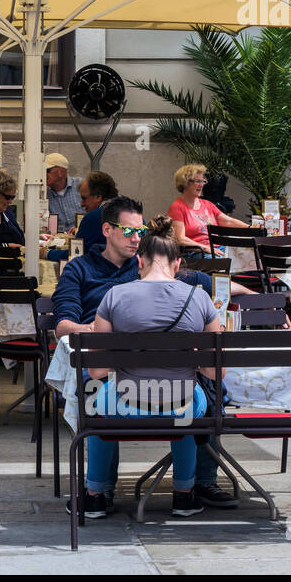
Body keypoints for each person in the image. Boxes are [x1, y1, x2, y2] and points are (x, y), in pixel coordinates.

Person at [54, 195, 253, 510]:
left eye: (141, 231)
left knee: (193, 385)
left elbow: (214, 284)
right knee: (192, 390)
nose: (137, 238)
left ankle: (201, 482)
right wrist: (93, 331)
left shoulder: (147, 271)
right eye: (129, 230)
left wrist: (258, 297)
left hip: (120, 372)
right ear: (107, 229)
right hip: (117, 362)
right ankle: (116, 489)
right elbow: (62, 325)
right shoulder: (80, 268)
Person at [79, 215, 223, 519]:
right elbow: (214, 373)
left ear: (140, 260)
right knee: (187, 396)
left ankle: (94, 496)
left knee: (95, 398)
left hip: (125, 405)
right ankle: (184, 495)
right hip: (181, 408)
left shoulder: (114, 296)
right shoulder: (200, 298)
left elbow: (95, 371)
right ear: (177, 263)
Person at [167, 163, 250, 257]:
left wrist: (251, 228)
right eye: (198, 181)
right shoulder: (177, 207)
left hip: (218, 248)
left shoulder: (207, 204)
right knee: (228, 261)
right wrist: (205, 248)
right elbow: (180, 239)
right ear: (185, 183)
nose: (201, 185)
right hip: (197, 252)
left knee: (249, 257)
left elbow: (228, 221)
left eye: (203, 181)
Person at [46, 153, 83, 228]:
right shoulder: (44, 194)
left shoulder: (82, 186)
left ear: (61, 172)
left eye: (47, 170)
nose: (42, 174)